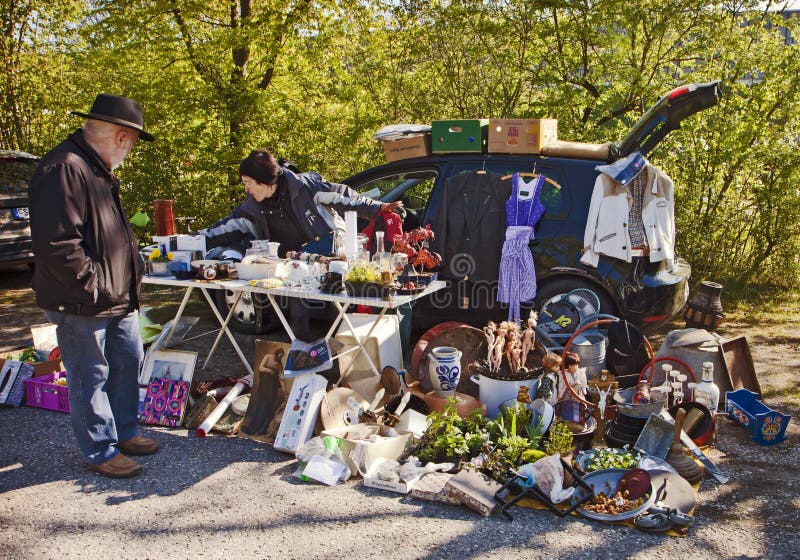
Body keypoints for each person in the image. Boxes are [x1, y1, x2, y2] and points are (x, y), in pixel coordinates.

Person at [28, 94, 158, 478]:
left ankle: (124, 432)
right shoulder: (65, 167)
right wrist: (95, 288)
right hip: (84, 300)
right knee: (91, 374)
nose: (130, 151)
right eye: (132, 143)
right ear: (121, 137)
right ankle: (100, 449)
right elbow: (58, 245)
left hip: (116, 297)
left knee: (126, 362)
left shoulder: (94, 166)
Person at [200, 149, 402, 340]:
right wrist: (191, 240)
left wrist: (378, 207)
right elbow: (223, 229)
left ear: (264, 182)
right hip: (295, 262)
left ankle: (344, 351)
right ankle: (301, 357)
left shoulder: (304, 186)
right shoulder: (251, 207)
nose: (246, 189)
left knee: (337, 304)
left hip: (329, 250)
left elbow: (343, 196)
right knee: (297, 306)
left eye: (248, 182)